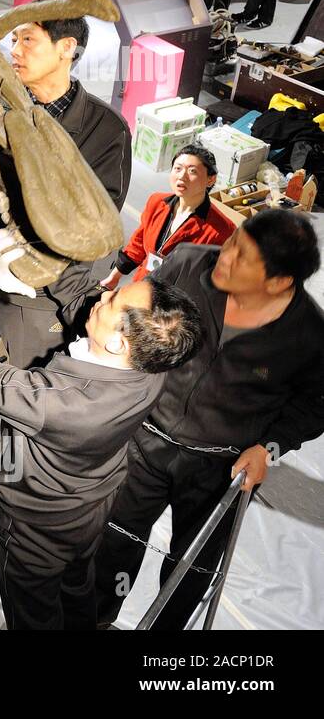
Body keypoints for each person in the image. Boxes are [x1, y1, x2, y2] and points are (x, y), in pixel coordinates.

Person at [0, 228, 204, 630]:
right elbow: (82, 305)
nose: (103, 295)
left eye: (111, 301)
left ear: (118, 344)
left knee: (33, 616)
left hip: (33, 530)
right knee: (76, 590)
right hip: (87, 511)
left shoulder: (53, 400)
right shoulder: (151, 368)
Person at [95, 209, 324, 629]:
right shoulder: (188, 263)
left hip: (221, 468)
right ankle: (97, 619)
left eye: (242, 258)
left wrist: (268, 448)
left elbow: (315, 404)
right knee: (113, 543)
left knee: (190, 569)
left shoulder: (308, 335)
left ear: (278, 281)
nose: (225, 256)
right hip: (145, 439)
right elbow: (134, 314)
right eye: (232, 242)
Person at [0, 15, 131, 432]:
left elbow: (95, 226)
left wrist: (39, 270)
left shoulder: (106, 131)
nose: (14, 50)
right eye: (13, 39)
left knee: (25, 400)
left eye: (28, 40)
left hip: (43, 297)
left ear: (66, 48)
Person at [100, 145, 234, 289]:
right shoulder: (157, 202)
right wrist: (114, 276)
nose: (182, 176)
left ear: (211, 179)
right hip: (141, 286)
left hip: (176, 302)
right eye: (178, 168)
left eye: (192, 171)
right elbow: (138, 243)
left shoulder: (222, 230)